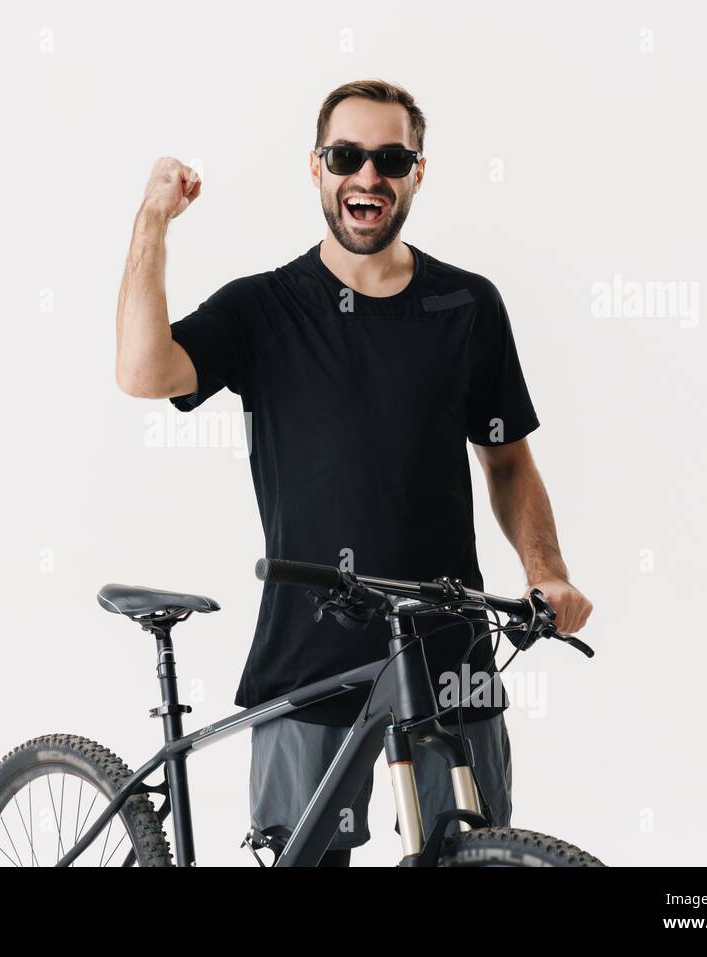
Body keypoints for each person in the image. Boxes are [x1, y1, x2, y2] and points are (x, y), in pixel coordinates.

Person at [114, 79, 592, 866]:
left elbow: (506, 458)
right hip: (309, 647)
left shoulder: (468, 305)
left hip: (448, 638)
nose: (367, 176)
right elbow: (142, 370)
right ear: (316, 168)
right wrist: (153, 220)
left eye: (390, 158)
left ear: (416, 173)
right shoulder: (264, 308)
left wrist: (548, 573)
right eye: (347, 156)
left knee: (472, 854)